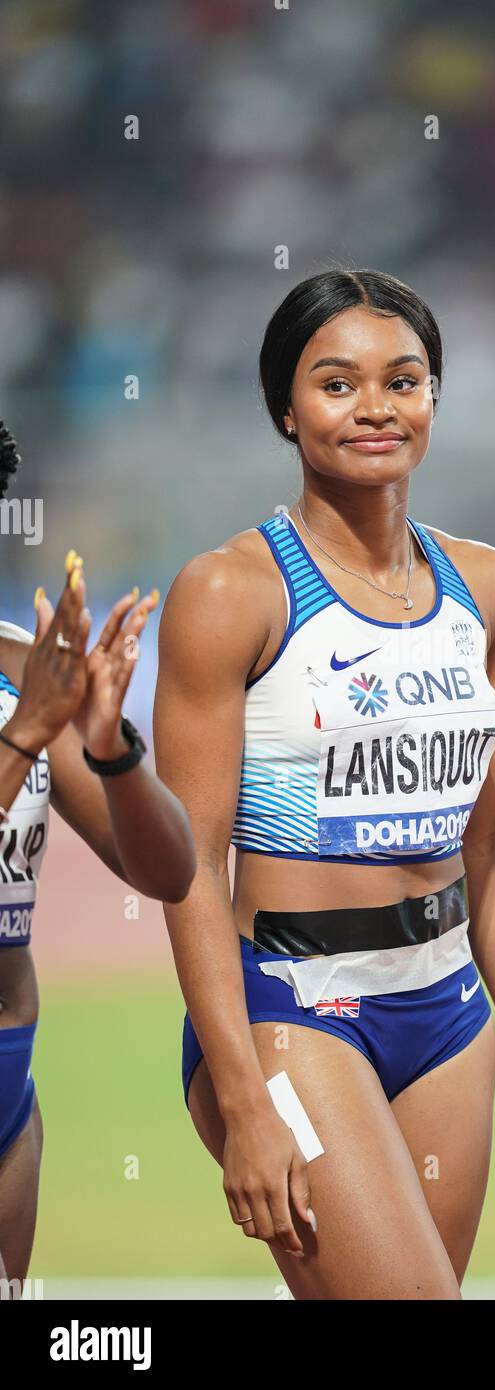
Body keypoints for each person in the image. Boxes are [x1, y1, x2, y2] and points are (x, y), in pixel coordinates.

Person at [154, 267, 495, 1300]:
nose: (375, 408)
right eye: (336, 383)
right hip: (292, 1011)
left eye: (403, 380)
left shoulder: (485, 587)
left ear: (434, 397)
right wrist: (244, 1098)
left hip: (446, 1009)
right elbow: (185, 876)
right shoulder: (229, 592)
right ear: (283, 407)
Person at [0, 421, 197, 1294]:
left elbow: (164, 872)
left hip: (9, 1075)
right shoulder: (24, 704)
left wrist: (111, 745)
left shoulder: (19, 667)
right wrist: (25, 738)